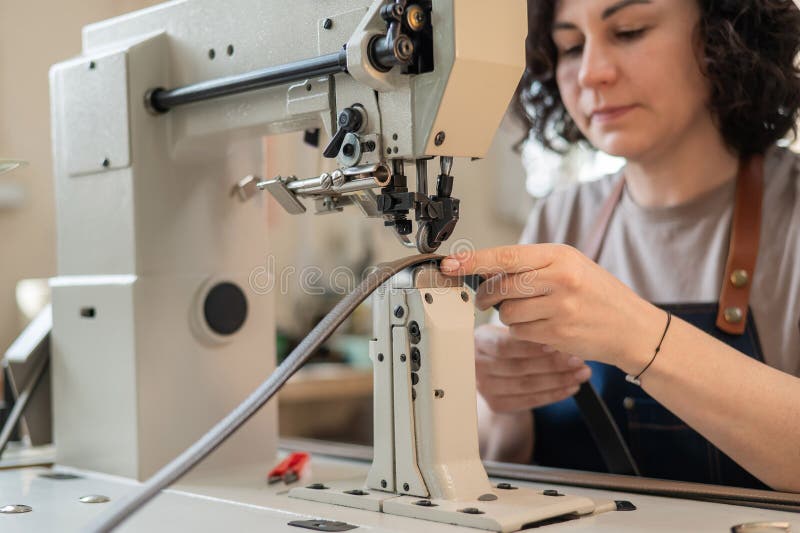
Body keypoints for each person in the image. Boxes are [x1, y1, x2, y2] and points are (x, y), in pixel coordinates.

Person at [440, 0, 800, 492]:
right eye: (570, 47)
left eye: (629, 31)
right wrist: (504, 402)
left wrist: (640, 336)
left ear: (725, 37)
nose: (591, 73)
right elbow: (504, 458)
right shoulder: (558, 217)